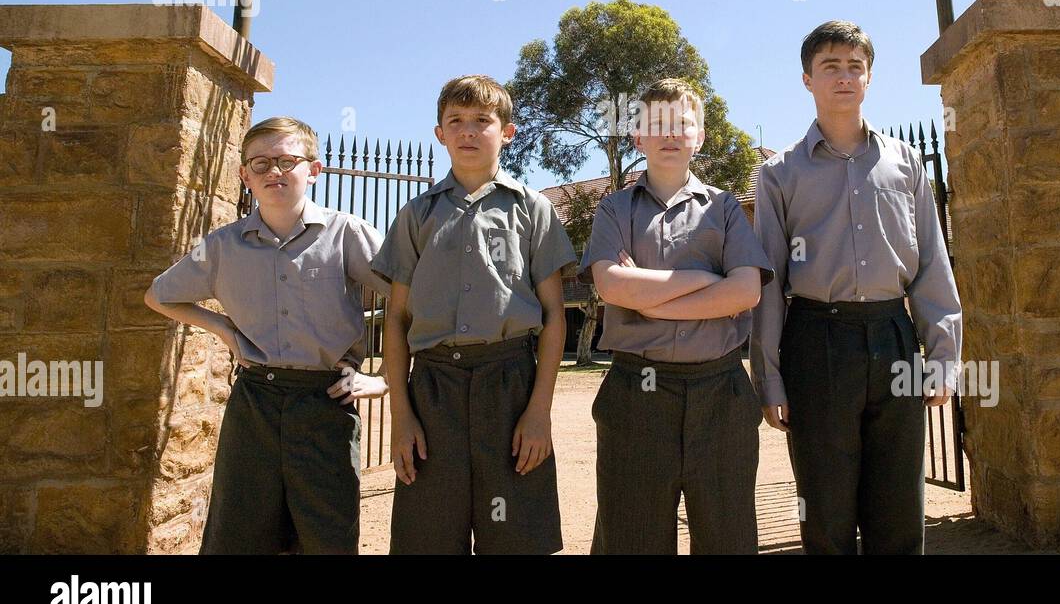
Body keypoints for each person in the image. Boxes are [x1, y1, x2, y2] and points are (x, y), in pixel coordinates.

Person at [750, 20, 962, 555]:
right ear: (807, 79)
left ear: (869, 78)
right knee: (825, 509)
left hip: (894, 336)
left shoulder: (906, 163)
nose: (844, 77)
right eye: (830, 67)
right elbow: (768, 284)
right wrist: (770, 380)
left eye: (854, 66)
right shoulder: (779, 175)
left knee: (898, 506)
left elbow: (932, 263)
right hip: (815, 340)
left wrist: (942, 357)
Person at [144, 116, 390, 554]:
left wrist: (385, 376)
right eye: (260, 163)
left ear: (314, 170)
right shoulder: (222, 246)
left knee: (326, 537)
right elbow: (160, 296)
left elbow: (411, 300)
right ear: (244, 176)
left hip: (325, 403)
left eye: (286, 160)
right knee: (238, 535)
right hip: (254, 403)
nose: (273, 171)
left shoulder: (347, 234)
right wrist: (222, 329)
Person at [373, 74, 575, 555]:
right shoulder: (416, 215)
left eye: (481, 121)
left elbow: (553, 317)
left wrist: (538, 412)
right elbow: (396, 321)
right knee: (428, 536)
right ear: (439, 133)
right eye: (455, 121)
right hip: (433, 390)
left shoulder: (533, 209)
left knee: (516, 535)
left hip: (510, 385)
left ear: (506, 131)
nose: (468, 131)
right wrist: (402, 417)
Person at [578, 77, 773, 554]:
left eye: (681, 124)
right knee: (633, 537)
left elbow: (746, 290)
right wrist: (707, 281)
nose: (669, 134)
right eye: (655, 124)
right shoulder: (614, 209)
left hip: (721, 393)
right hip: (635, 395)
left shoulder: (726, 208)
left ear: (700, 136)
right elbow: (610, 285)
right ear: (637, 136)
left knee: (727, 536)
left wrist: (645, 299)